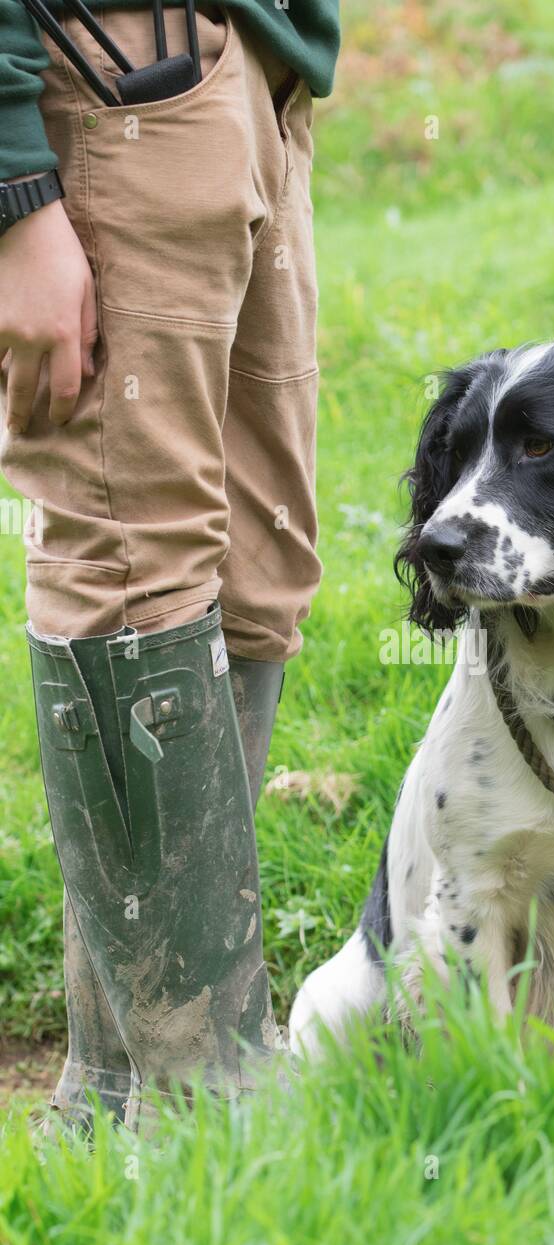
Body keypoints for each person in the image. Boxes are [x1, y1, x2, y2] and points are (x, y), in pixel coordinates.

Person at [0, 0, 340, 1129]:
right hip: (101, 76)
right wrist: (15, 198)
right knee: (129, 557)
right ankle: (212, 1098)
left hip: (256, 69)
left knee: (254, 568)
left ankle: (111, 1088)